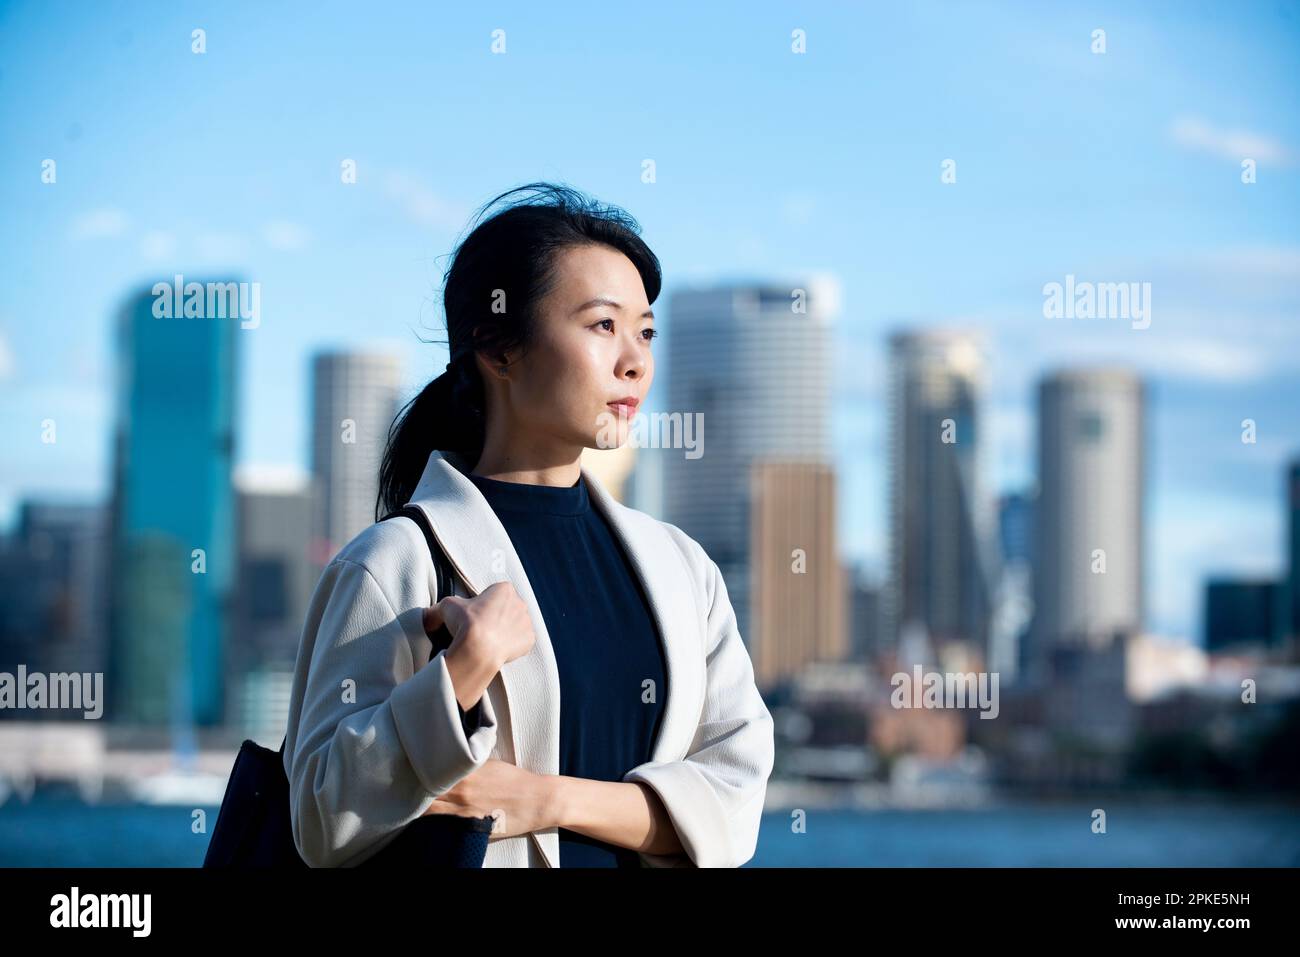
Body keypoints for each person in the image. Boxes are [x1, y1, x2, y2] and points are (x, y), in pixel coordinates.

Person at [282, 182, 774, 867]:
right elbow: (318, 818)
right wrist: (459, 673)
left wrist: (549, 800)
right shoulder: (395, 561)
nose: (635, 360)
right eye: (603, 325)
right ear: (498, 347)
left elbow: (734, 799)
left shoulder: (682, 569)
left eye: (646, 330)